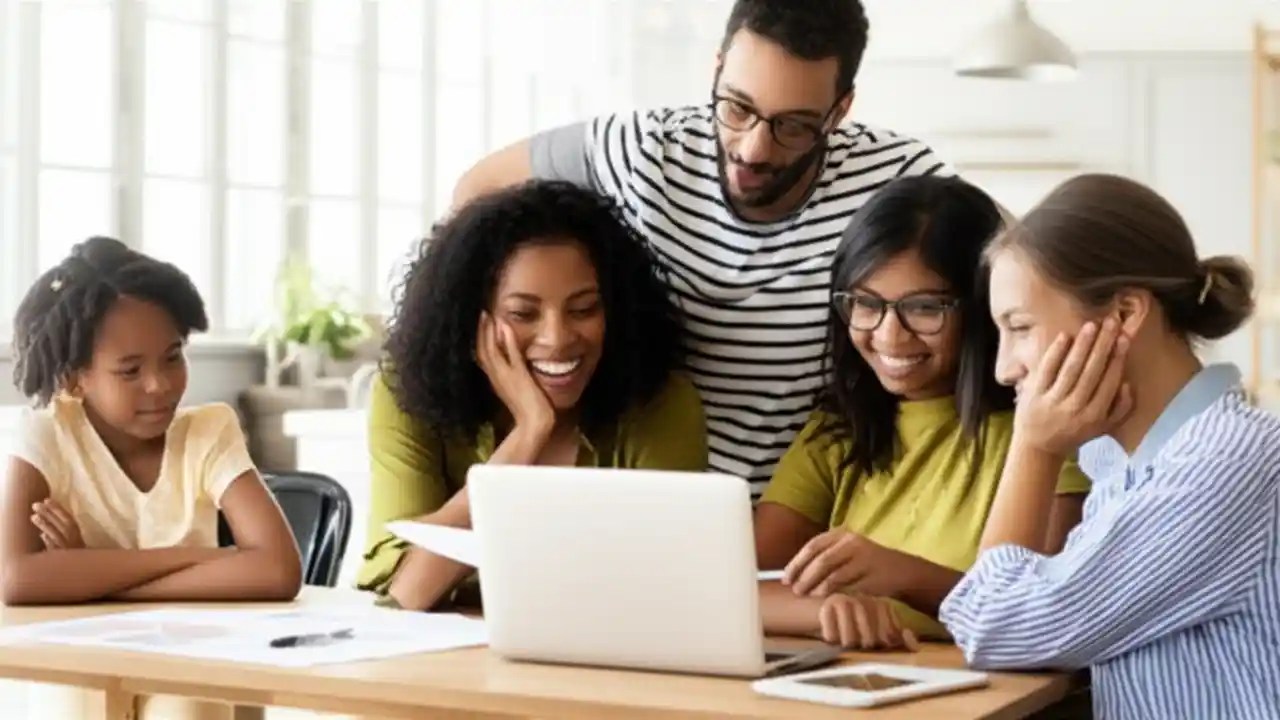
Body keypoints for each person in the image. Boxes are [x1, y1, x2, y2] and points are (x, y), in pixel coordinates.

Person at [452, 0, 947, 492]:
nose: (752, 149)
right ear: (716, 70)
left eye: (793, 125)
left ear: (839, 110)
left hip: (800, 516)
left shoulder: (896, 177)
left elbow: (1015, 266)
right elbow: (477, 191)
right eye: (736, 107)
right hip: (642, 500)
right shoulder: (645, 150)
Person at [940, 173, 1280, 718]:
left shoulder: (1224, 463)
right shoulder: (1122, 468)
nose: (1005, 368)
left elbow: (992, 627)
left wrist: (1033, 444)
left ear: (1124, 314)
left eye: (1020, 326)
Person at [749, 176, 1089, 650]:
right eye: (866, 304)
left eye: (925, 308)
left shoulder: (1046, 432)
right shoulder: (836, 432)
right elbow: (737, 586)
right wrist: (826, 610)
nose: (889, 336)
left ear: (982, 306)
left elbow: (1041, 615)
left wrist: (904, 576)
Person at [358, 180, 707, 611]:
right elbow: (404, 593)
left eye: (584, 310)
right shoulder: (406, 394)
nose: (557, 339)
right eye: (523, 314)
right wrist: (527, 436)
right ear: (472, 321)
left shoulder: (661, 402)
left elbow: (666, 594)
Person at [1, 236, 302, 606]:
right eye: (130, 371)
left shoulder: (208, 432)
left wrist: (89, 575)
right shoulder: (48, 433)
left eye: (173, 357)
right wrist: (206, 558)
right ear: (74, 380)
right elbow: (15, 580)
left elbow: (277, 571)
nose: (159, 385)